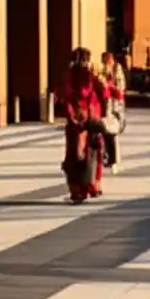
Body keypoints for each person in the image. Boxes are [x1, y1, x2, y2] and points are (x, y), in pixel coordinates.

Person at [59, 48, 105, 206]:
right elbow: (67, 98)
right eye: (83, 60)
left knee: (89, 152)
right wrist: (73, 116)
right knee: (80, 154)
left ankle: (87, 186)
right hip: (81, 120)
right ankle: (82, 188)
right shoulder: (75, 77)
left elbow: (101, 94)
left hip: (87, 119)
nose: (85, 63)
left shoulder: (88, 77)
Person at [100, 51, 127, 174]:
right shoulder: (101, 71)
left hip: (115, 108)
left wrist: (110, 84)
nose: (107, 63)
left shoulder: (117, 69)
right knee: (104, 134)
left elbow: (120, 88)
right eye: (105, 61)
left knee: (113, 134)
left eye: (108, 60)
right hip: (104, 108)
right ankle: (106, 158)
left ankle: (114, 161)